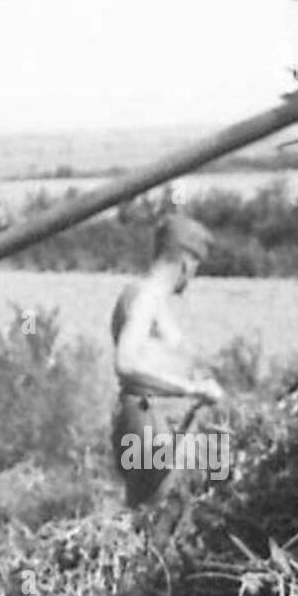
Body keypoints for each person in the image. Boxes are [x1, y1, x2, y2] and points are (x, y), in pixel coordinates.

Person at [109, 214, 225, 508]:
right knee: (157, 515)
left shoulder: (145, 298)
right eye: (196, 267)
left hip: (152, 422)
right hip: (149, 422)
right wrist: (191, 389)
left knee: (164, 512)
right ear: (186, 263)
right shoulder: (146, 297)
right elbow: (127, 362)